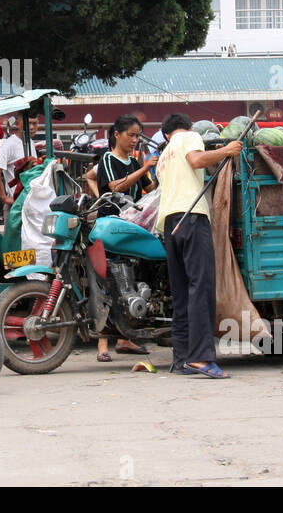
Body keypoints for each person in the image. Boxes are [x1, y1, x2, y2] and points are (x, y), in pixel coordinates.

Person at [154, 112, 241, 379]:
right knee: (201, 288)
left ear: (166, 133)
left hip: (169, 224)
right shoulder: (190, 137)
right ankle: (202, 358)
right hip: (191, 218)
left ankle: (181, 359)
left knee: (181, 293)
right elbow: (196, 160)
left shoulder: (163, 157)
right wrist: (227, 150)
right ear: (188, 128)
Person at [85, 115, 156, 362]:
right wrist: (145, 168)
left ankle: (125, 339)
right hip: (110, 229)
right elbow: (114, 186)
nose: (135, 140)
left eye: (138, 136)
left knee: (130, 280)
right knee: (107, 282)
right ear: (117, 134)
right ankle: (103, 345)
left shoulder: (136, 161)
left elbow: (149, 189)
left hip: (131, 228)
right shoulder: (107, 158)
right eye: (131, 135)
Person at [0, 117, 26, 210]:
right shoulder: (10, 143)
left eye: (35, 123)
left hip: (26, 203)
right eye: (30, 123)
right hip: (16, 204)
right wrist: (4, 198)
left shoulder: (29, 143)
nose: (32, 127)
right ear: (17, 123)